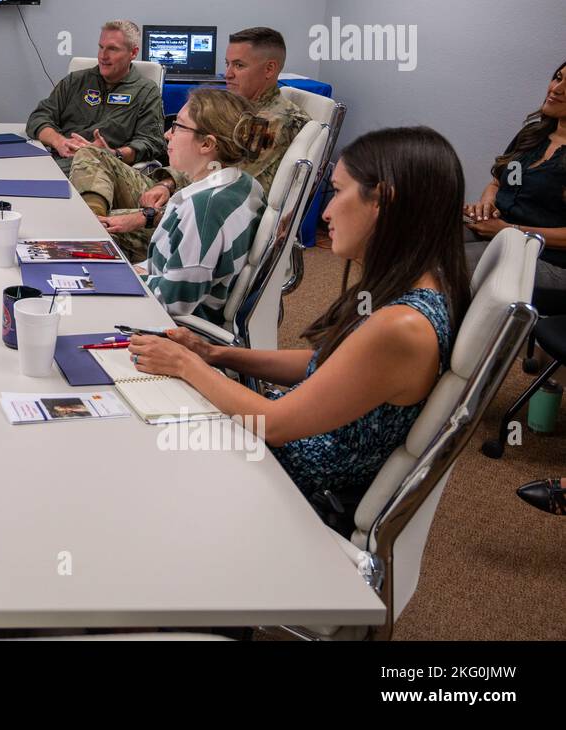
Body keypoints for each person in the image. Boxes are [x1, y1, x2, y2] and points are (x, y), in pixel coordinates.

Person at [126, 127, 470, 527]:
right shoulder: (420, 285)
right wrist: (213, 353)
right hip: (290, 462)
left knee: (142, 448)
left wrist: (187, 365)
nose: (325, 213)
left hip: (293, 490)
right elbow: (327, 363)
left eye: (337, 192)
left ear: (382, 200)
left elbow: (275, 426)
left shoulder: (402, 327)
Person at [71, 26, 311, 260]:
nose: (228, 73)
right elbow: (203, 166)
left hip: (201, 223)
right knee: (92, 154)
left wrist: (146, 216)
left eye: (239, 66)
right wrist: (166, 184)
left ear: (270, 69)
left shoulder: (269, 125)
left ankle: (91, 230)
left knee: (97, 226)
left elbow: (223, 199)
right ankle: (92, 220)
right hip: (179, 198)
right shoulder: (238, 108)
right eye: (228, 64)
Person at [138, 89, 267, 324]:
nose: (168, 134)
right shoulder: (246, 184)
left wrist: (125, 279)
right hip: (166, 291)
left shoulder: (203, 209)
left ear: (207, 144)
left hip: (172, 327)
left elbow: (176, 301)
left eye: (177, 126)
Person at [462, 60, 566, 299]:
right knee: (425, 238)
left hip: (547, 258)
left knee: (449, 266)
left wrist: (510, 230)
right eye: (558, 78)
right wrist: (486, 205)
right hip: (500, 230)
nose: (556, 89)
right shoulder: (532, 135)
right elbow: (497, 183)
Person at [25, 20, 166, 176]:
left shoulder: (146, 92)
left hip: (102, 170)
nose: (103, 56)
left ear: (133, 53)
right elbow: (38, 118)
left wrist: (113, 154)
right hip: (57, 161)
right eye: (101, 47)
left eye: (112, 49)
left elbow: (151, 142)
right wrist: (59, 141)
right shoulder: (75, 81)